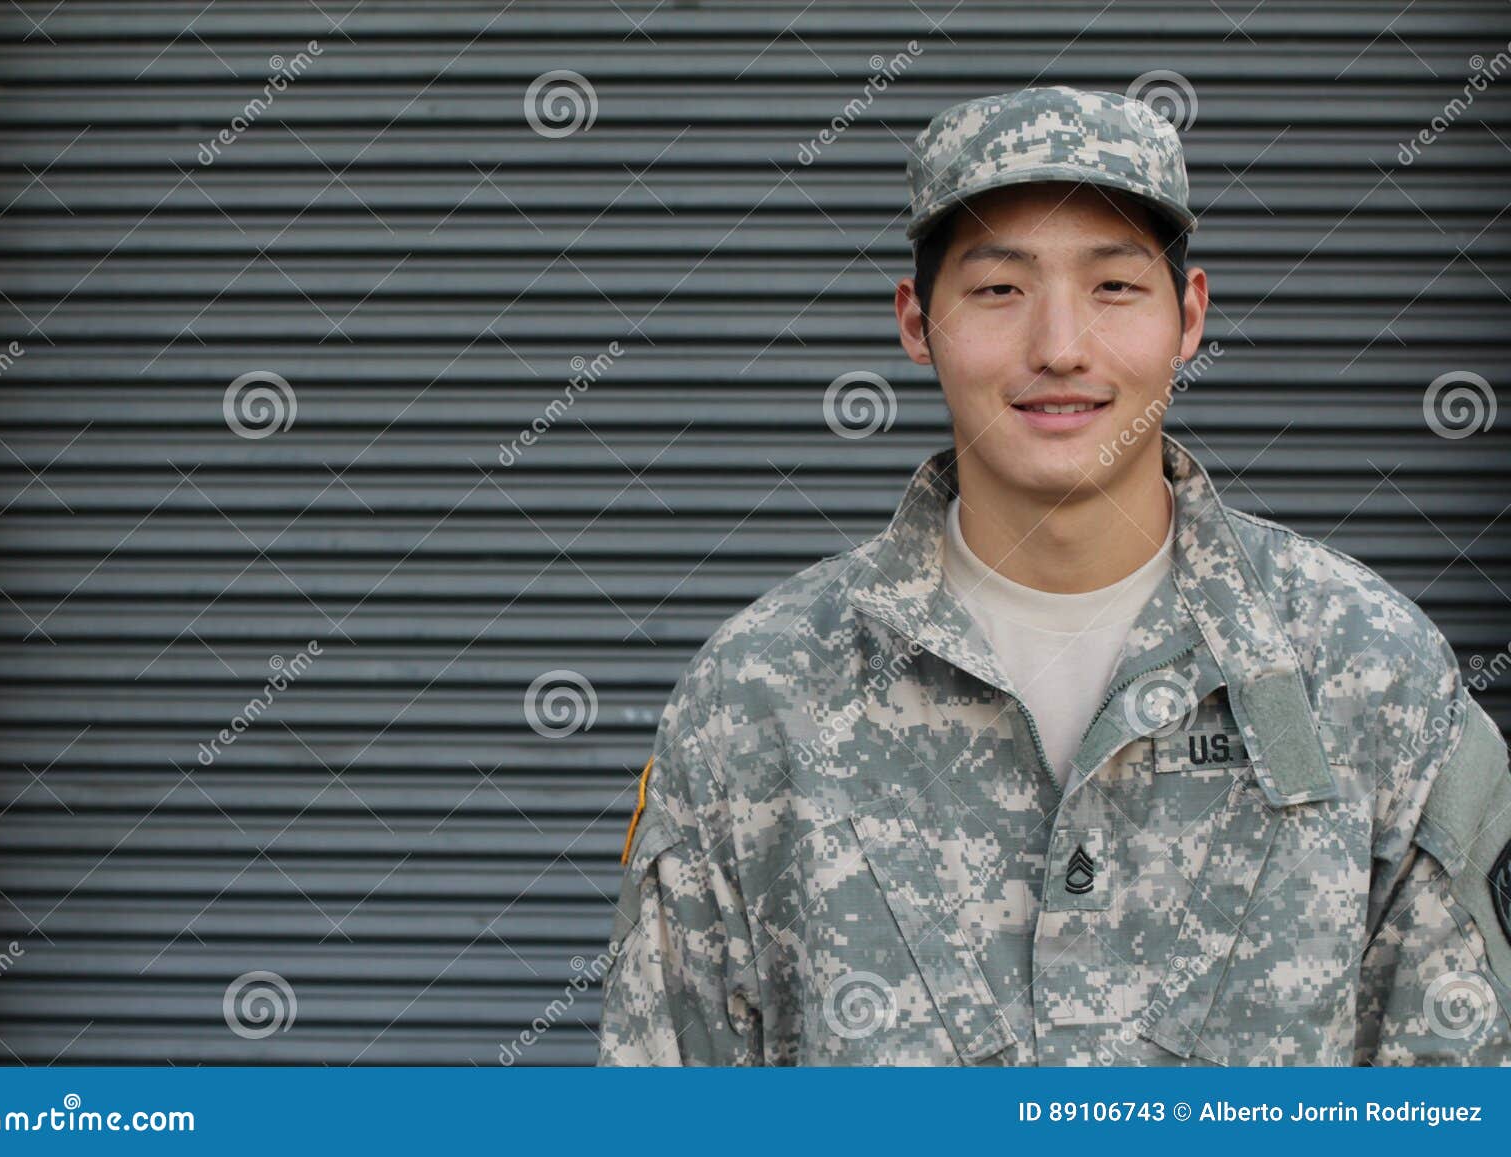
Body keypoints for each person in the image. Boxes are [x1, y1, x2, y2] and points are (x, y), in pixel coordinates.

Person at [596, 84, 1511, 1065]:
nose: (1060, 347)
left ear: (1188, 316)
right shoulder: (761, 696)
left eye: (1114, 286)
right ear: (916, 322)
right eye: (999, 288)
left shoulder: (1369, 674)